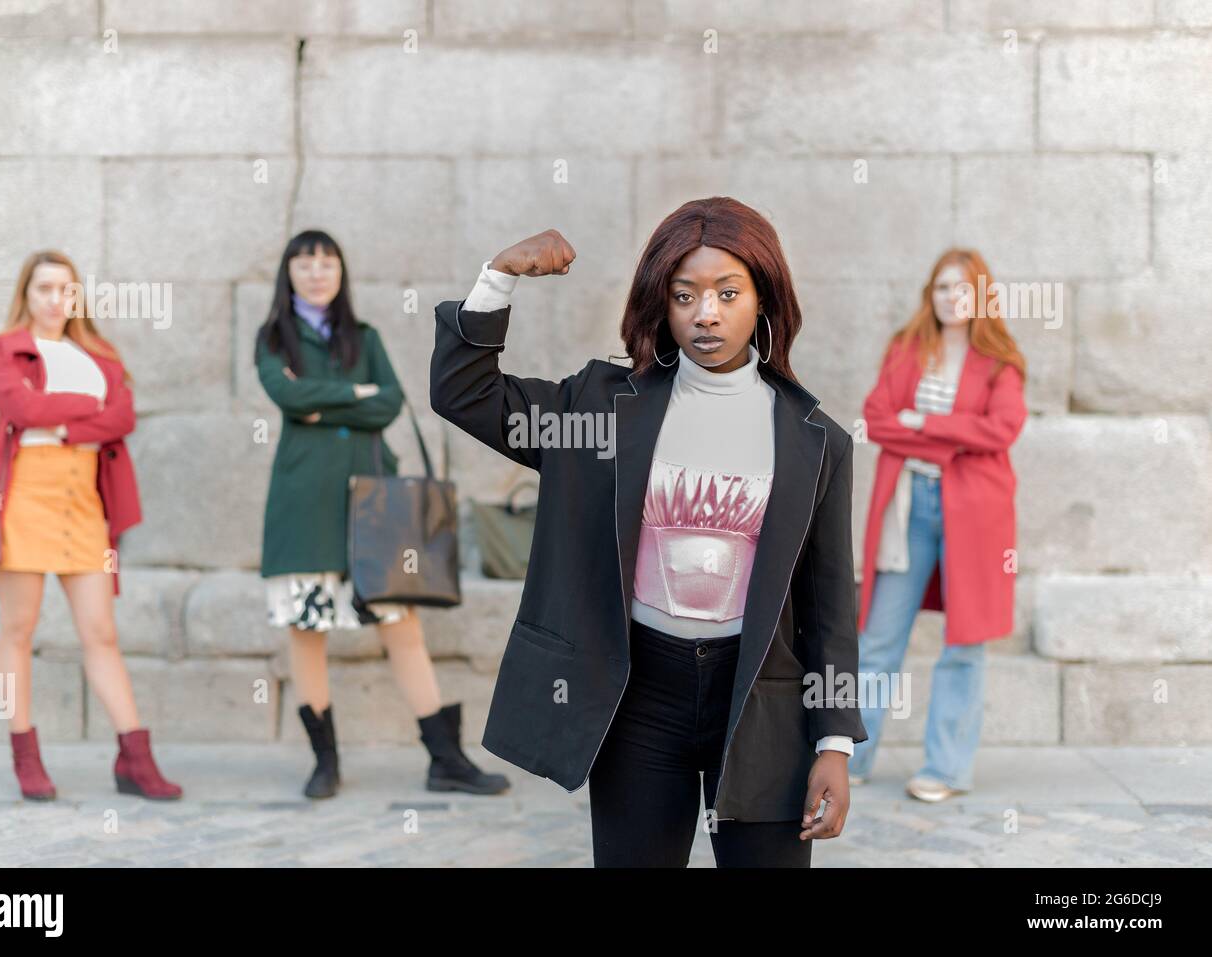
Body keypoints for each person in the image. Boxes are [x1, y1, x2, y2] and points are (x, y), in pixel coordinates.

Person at [430, 197, 866, 867]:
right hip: (638, 699)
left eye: (728, 291)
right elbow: (467, 395)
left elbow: (830, 606)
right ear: (662, 304)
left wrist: (833, 743)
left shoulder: (817, 441)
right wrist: (499, 275)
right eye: (684, 294)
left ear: (763, 298)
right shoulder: (603, 408)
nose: (706, 312)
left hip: (759, 702)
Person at [254, 229, 509, 800]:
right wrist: (353, 396)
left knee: (401, 622)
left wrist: (324, 401)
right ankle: (325, 761)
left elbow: (391, 400)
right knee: (306, 627)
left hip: (374, 501)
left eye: (328, 262)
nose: (317, 272)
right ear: (288, 272)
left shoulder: (363, 336)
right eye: (304, 262)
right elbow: (286, 397)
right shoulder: (273, 337)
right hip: (305, 505)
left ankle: (445, 758)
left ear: (340, 272)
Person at [0, 250, 182, 801]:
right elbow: (19, 409)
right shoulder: (1, 349)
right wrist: (85, 411)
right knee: (19, 628)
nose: (55, 300)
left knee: (101, 632)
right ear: (26, 294)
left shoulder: (99, 356)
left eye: (66, 289)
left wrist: (62, 419)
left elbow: (122, 418)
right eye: (44, 289)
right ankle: (25, 756)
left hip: (83, 501)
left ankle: (135, 757)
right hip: (24, 497)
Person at [850, 248, 1028, 801]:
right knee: (878, 638)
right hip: (909, 507)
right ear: (930, 294)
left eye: (963, 288)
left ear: (980, 296)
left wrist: (923, 421)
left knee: (965, 642)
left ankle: (946, 769)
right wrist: (955, 434)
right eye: (942, 287)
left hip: (975, 515)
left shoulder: (1001, 361)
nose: (951, 298)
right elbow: (878, 420)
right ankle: (849, 759)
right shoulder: (906, 349)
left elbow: (1001, 431)